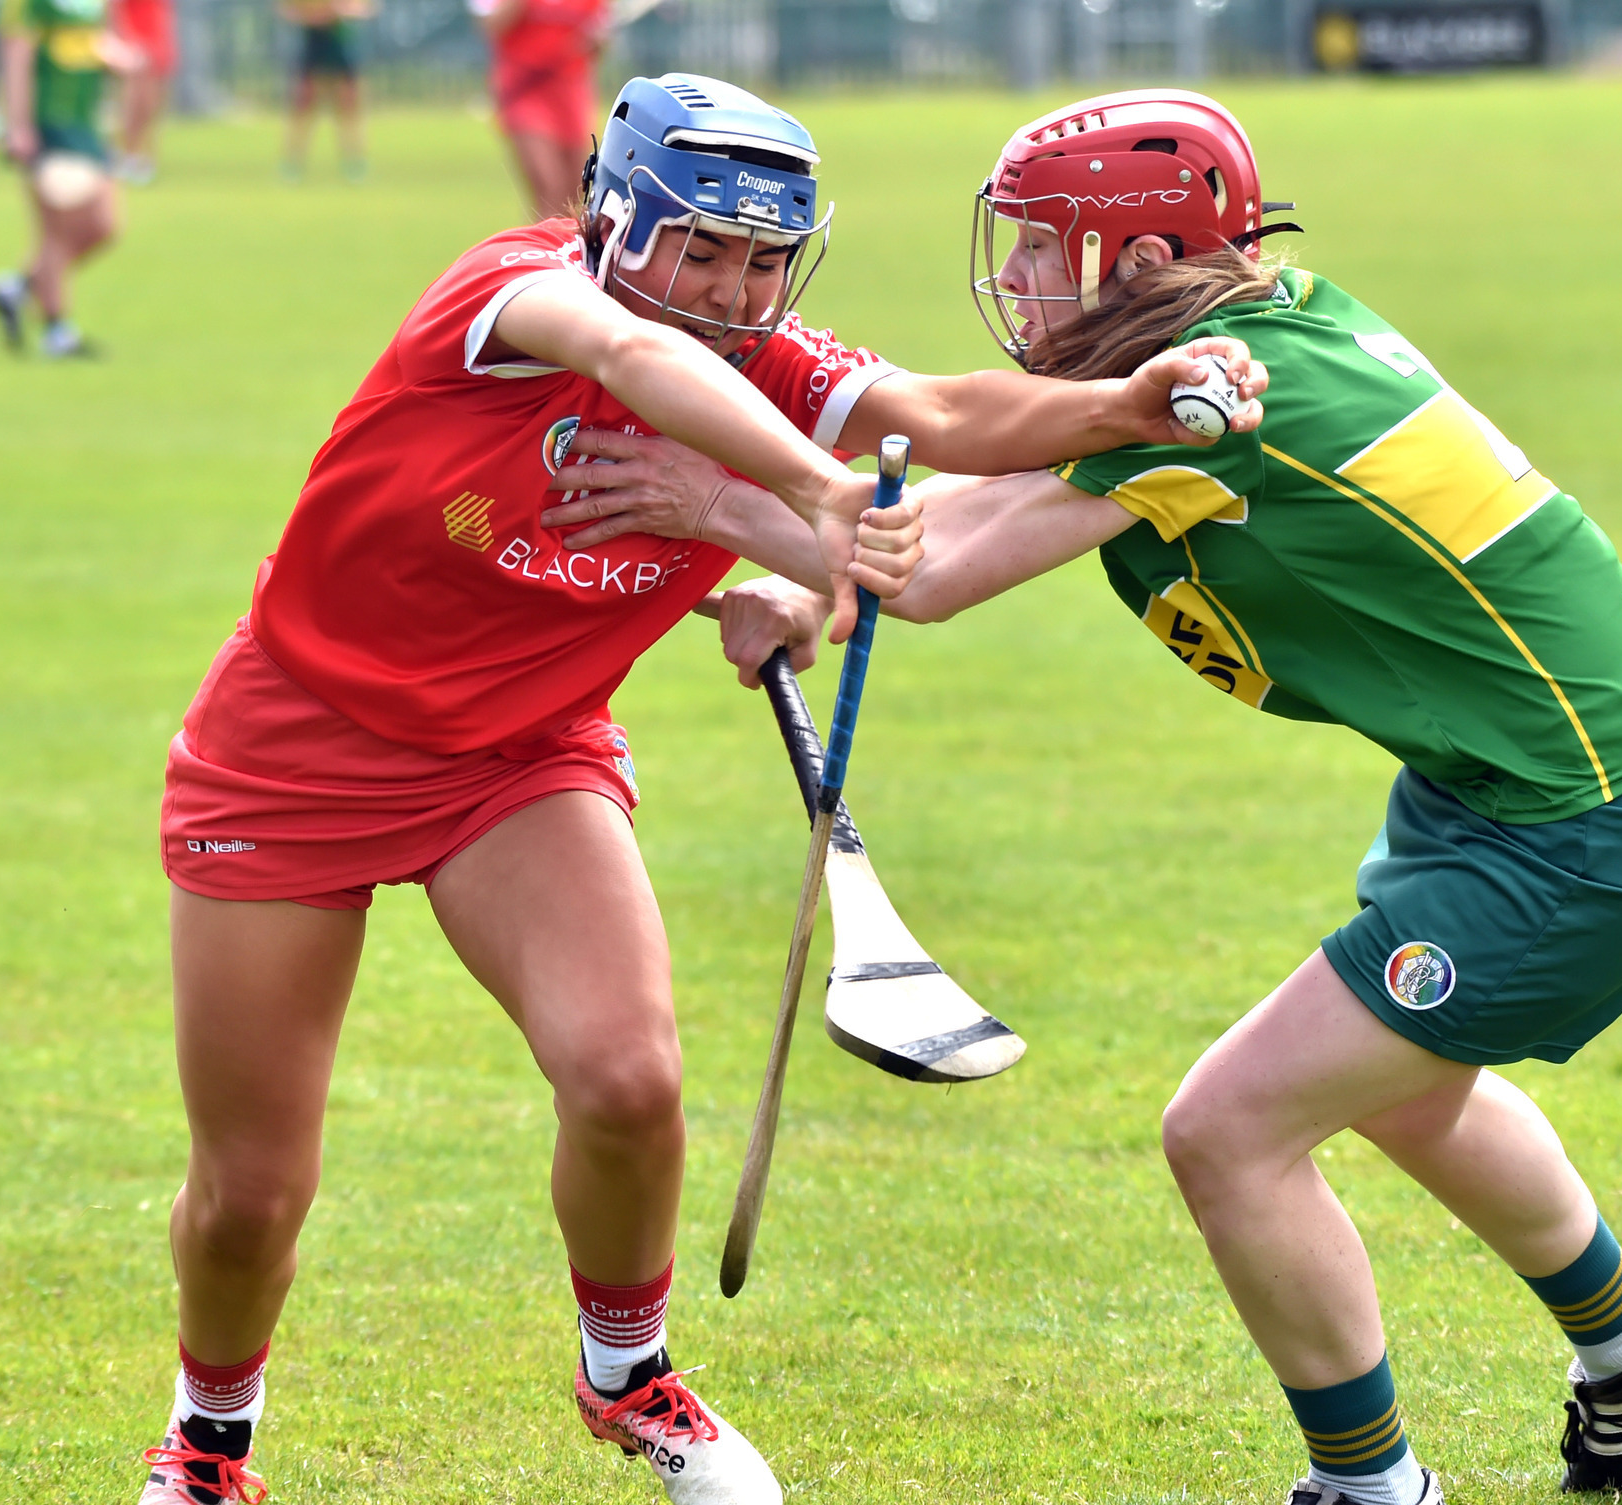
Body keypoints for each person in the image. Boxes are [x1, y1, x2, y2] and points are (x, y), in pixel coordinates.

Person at [554, 87, 1622, 1505]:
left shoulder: (1212, 403)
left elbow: (926, 570)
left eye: (1042, 247)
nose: (1015, 277)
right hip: (1523, 778)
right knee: (1407, 1088)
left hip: (1586, 821)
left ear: (1131, 263)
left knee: (1230, 1128)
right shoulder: (1229, 343)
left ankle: (1372, 1487)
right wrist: (810, 583)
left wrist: (710, 504)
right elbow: (924, 543)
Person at [136, 73, 1256, 1505]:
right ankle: (211, 1438)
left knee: (629, 1076)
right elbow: (631, 355)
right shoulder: (516, 294)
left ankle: (629, 1377)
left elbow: (942, 407)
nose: (732, 292)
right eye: (699, 250)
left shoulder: (774, 358)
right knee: (252, 1193)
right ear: (613, 220)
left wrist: (1120, 402)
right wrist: (816, 497)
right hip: (294, 752)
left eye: (765, 259)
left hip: (519, 759)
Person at [0, 0, 140, 357]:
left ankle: (18, 288)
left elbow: (99, 43)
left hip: (84, 123)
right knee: (57, 231)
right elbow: (16, 59)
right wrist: (19, 126)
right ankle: (56, 332)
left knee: (104, 225)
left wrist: (119, 60)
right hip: (48, 122)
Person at [468, 0, 606, 218]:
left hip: (571, 92)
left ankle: (566, 249)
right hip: (525, 91)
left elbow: (600, 37)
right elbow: (491, 24)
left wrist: (594, 41)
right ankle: (540, 250)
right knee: (550, 186)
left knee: (579, 190)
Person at [278, 0, 370, 180]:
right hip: (313, 48)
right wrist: (312, 17)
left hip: (342, 48)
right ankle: (293, 163)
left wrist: (340, 11)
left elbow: (364, 9)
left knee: (349, 108)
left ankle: (354, 162)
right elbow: (286, 10)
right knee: (302, 107)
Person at [110, 0, 175, 182]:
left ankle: (146, 157)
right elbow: (114, 8)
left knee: (153, 103)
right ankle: (127, 153)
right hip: (136, 36)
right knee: (136, 98)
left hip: (159, 36)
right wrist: (123, 38)